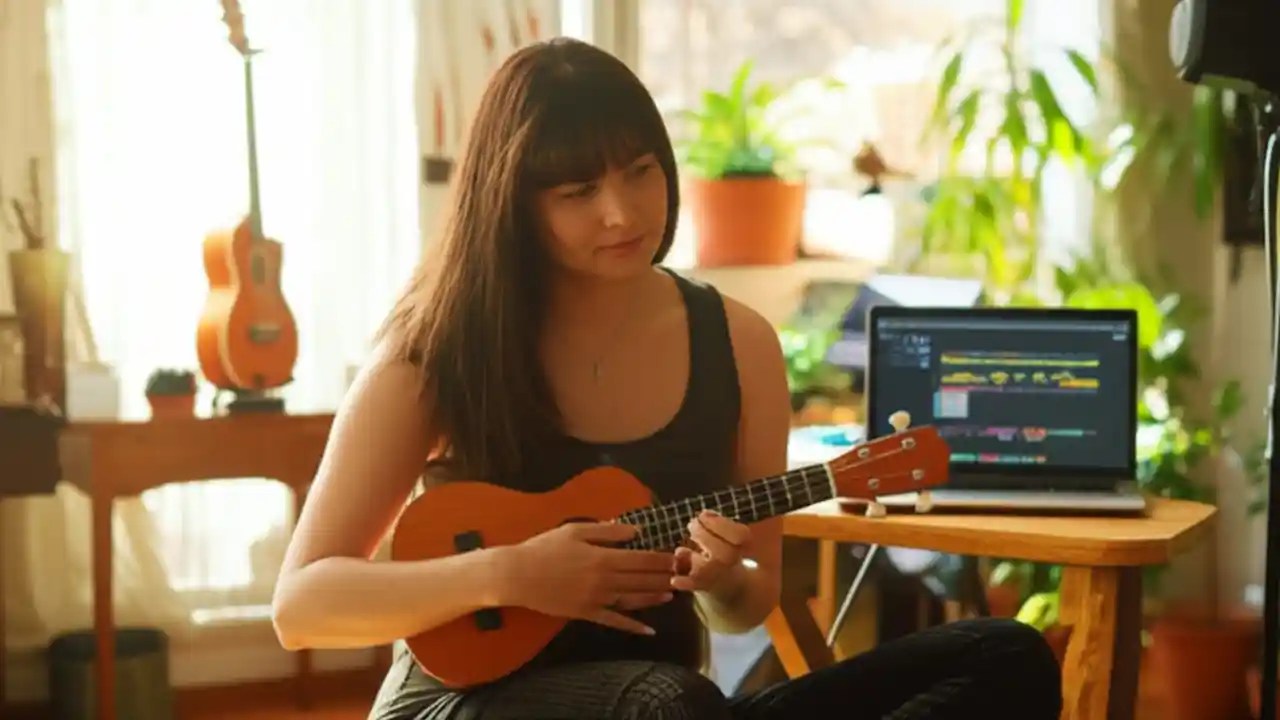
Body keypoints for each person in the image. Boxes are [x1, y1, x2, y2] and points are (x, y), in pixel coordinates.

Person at [271, 36, 1063, 720]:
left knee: (1004, 654)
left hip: (671, 706)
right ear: (513, 202)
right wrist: (513, 573)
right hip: (461, 705)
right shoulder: (438, 349)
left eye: (641, 172)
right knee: (666, 700)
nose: (621, 212)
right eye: (579, 192)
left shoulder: (738, 343)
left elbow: (750, 600)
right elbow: (301, 606)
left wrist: (722, 578)